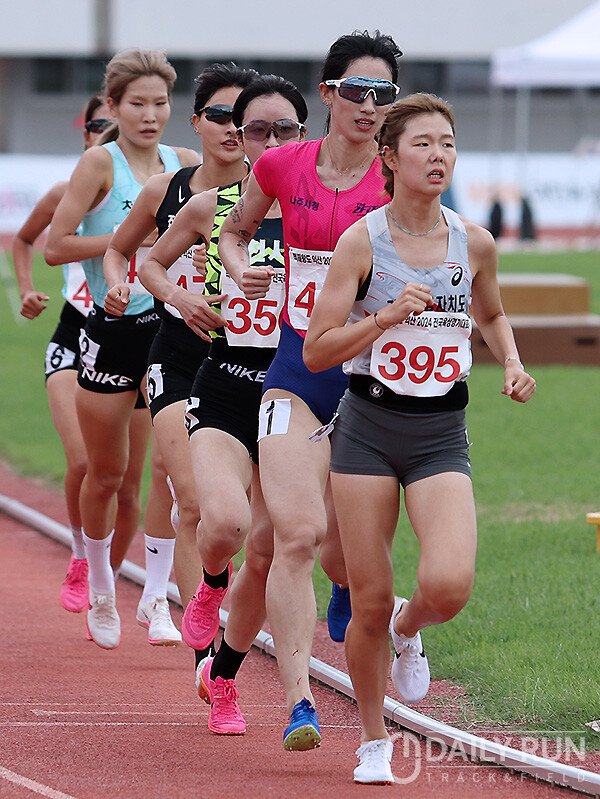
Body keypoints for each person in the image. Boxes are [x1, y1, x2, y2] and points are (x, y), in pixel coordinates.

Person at [303, 93, 536, 784]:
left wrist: (513, 360)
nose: (439, 156)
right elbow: (318, 350)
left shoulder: (475, 241)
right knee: (366, 597)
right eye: (424, 145)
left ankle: (412, 629)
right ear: (390, 158)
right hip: (369, 429)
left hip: (441, 432)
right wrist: (384, 318)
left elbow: (491, 312)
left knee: (449, 583)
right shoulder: (361, 242)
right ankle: (373, 738)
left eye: (448, 144)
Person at [218, 30, 402, 750]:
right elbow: (233, 234)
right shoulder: (282, 163)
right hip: (296, 371)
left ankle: (352, 588)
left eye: (382, 94)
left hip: (374, 381)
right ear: (326, 94)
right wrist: (240, 267)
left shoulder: (400, 176)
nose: (367, 104)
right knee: (294, 533)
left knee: (344, 554)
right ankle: (299, 700)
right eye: (355, 90)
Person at [142, 75, 308, 736]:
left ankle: (226, 677)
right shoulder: (214, 206)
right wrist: (183, 300)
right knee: (226, 523)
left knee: (271, 554)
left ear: (303, 135)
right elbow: (153, 263)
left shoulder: (318, 211)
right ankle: (209, 582)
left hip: (294, 391)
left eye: (285, 130)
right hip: (226, 382)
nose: (271, 141)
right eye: (258, 130)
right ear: (239, 136)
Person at [45, 49, 199, 650]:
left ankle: (156, 598)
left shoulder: (183, 163)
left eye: (161, 103)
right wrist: (130, 238)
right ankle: (102, 582)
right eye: (137, 104)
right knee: (104, 474)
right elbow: (56, 246)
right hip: (111, 329)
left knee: (159, 471)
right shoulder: (97, 164)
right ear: (113, 107)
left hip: (168, 330)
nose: (150, 114)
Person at [105, 62, 258, 660]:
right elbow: (124, 252)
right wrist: (136, 289)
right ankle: (207, 657)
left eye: (243, 118)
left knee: (251, 523)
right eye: (218, 115)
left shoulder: (272, 197)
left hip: (251, 359)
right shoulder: (167, 191)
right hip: (177, 353)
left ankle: (218, 601)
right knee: (192, 499)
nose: (231, 128)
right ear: (195, 123)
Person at [12, 96, 114, 613]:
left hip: (129, 334)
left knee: (125, 477)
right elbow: (25, 241)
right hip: (74, 331)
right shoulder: (63, 193)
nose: (106, 132)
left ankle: (113, 579)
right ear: (84, 134)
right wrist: (27, 288)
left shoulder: (150, 191)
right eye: (98, 123)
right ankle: (79, 554)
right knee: (82, 459)